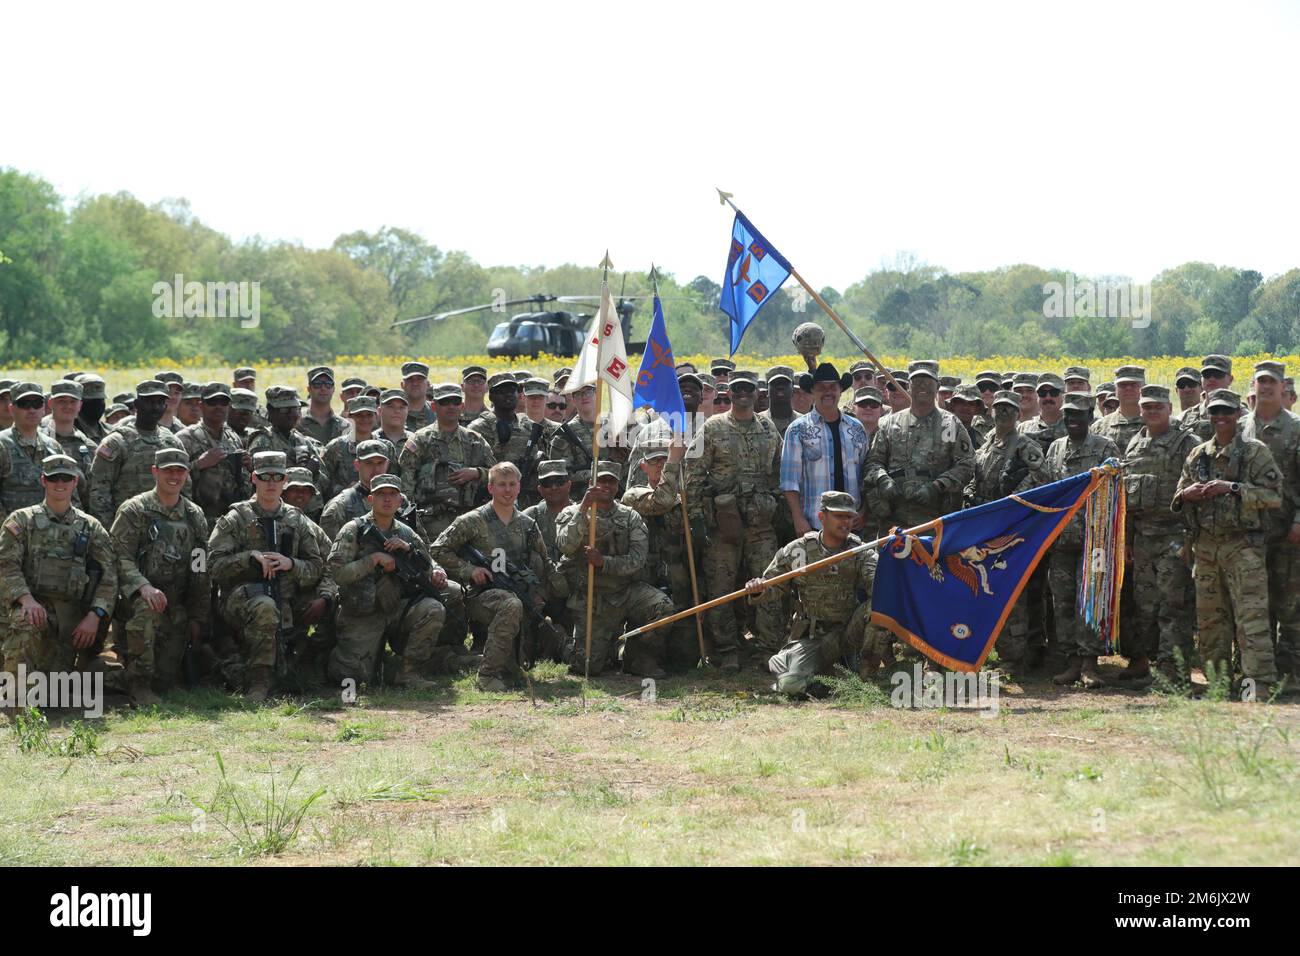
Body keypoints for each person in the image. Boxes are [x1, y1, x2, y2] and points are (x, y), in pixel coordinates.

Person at [1173, 389, 1282, 698]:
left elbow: (1274, 496)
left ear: (1238, 414)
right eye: (1214, 412)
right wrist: (1187, 494)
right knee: (1210, 620)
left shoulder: (1254, 452)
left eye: (1226, 412)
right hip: (1206, 547)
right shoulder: (1198, 455)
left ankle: (1256, 684)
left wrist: (1232, 487)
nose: (1220, 418)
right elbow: (1178, 495)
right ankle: (1217, 684)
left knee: (1251, 618)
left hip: (1242, 547)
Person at [685, 368, 784, 668]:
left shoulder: (768, 429)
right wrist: (697, 518)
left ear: (757, 393)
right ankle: (725, 650)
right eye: (737, 389)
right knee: (720, 587)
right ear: (728, 393)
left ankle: (767, 648)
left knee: (769, 583)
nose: (742, 394)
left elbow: (780, 472)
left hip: (761, 524)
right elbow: (693, 474)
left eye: (748, 389)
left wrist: (776, 506)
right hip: (722, 524)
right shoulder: (713, 428)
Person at [207, 451, 325, 701]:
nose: (271, 483)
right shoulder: (236, 518)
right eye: (265, 477)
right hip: (243, 600)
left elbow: (317, 565)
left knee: (329, 603)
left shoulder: (297, 519)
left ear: (285, 481)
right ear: (254, 479)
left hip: (288, 598)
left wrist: (290, 563)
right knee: (265, 607)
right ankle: (258, 683)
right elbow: (214, 565)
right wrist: (250, 557)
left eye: (278, 477)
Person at [432, 462, 556, 691]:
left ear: (519, 487)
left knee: (515, 670)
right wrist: (470, 571)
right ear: (490, 488)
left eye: (512, 485)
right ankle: (486, 676)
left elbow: (544, 562)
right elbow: (439, 549)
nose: (507, 491)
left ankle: (478, 662)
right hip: (479, 596)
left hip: (518, 594)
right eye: (501, 485)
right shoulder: (472, 520)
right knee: (511, 604)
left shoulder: (528, 525)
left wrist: (540, 594)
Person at [745, 491, 877, 696]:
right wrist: (758, 589)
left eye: (849, 517)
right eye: (839, 516)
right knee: (791, 686)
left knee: (877, 606)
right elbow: (772, 585)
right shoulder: (799, 550)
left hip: (849, 633)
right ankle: (812, 672)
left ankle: (866, 677)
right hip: (813, 638)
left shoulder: (859, 550)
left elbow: (876, 583)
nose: (846, 522)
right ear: (822, 517)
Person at [0, 454, 116, 680]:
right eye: (54, 478)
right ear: (44, 481)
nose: (60, 484)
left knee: (54, 689)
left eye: (66, 478)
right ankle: (16, 703)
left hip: (71, 617)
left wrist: (95, 615)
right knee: (26, 624)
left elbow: (110, 575)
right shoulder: (22, 520)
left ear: (75, 482)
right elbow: (6, 564)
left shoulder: (90, 527)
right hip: (32, 608)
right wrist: (26, 600)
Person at [109, 448, 210, 705]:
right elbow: (119, 557)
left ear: (187, 474)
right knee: (147, 609)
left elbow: (199, 566)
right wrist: (143, 587)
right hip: (137, 601)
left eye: (180, 470)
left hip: (174, 604)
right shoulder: (134, 510)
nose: (174, 476)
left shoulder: (195, 516)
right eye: (168, 470)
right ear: (155, 472)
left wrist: (197, 615)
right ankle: (137, 686)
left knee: (165, 681)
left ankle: (112, 678)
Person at [326, 474, 444, 691]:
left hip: (395, 608)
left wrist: (409, 551)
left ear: (400, 501)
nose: (387, 500)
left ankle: (409, 673)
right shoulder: (354, 530)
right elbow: (337, 573)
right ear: (371, 500)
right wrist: (374, 560)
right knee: (353, 679)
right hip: (362, 613)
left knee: (432, 608)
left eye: (393, 495)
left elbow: (426, 567)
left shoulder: (406, 532)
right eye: (381, 494)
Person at [556, 462, 673, 676]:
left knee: (663, 607)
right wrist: (584, 508)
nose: (606, 486)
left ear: (618, 486)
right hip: (593, 596)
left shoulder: (630, 516)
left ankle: (636, 657)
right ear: (591, 483)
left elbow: (637, 559)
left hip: (626, 590)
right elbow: (565, 545)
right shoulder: (572, 512)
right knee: (588, 667)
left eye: (611, 481)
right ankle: (561, 641)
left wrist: (604, 563)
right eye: (601, 480)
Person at [1118, 385, 1199, 686]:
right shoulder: (1134, 444)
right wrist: (1127, 541)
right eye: (1147, 406)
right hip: (1142, 538)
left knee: (1173, 606)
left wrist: (1192, 540)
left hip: (1175, 536)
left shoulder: (1186, 442)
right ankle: (1143, 662)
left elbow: (1196, 492)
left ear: (1169, 408)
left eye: (1158, 406)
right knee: (1145, 605)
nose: (1152, 411)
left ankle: (1172, 672)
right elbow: (1125, 500)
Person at [1045, 394, 1121, 687]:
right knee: (1062, 601)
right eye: (1068, 415)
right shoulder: (1055, 448)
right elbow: (1047, 488)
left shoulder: (1105, 448)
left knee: (1090, 600)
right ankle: (1072, 662)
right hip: (1062, 540)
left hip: (1095, 540)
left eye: (1079, 414)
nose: (1072, 419)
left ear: (1091, 416)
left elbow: (1115, 491)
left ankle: (1090, 663)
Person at [1239, 361, 1300, 686]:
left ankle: (1292, 672)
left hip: (1287, 529)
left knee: (1289, 603)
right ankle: (1262, 669)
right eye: (1260, 382)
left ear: (1282, 388)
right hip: (1250, 531)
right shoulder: (1242, 428)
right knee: (1256, 602)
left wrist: (1299, 522)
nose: (1265, 387)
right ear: (1254, 386)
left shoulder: (1295, 428)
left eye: (1271, 383)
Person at [621, 438, 700, 671]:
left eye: (665, 459)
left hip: (678, 574)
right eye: (655, 461)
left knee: (684, 660)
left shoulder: (682, 497)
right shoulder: (634, 495)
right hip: (646, 576)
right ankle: (639, 657)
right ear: (643, 466)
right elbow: (660, 502)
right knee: (654, 617)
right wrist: (675, 459)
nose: (661, 465)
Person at [780, 364, 870, 536]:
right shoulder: (797, 429)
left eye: (833, 387)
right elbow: (789, 481)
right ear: (812, 392)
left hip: (853, 522)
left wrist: (865, 510)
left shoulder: (856, 428)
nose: (827, 392)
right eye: (821, 388)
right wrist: (798, 519)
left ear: (841, 390)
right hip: (815, 523)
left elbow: (866, 475)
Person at [399, 382, 495, 543]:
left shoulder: (474, 440)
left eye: (455, 402)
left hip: (469, 521)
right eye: (444, 402)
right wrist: (411, 523)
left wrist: (477, 473)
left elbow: (498, 475)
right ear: (434, 406)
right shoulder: (420, 440)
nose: (451, 406)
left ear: (462, 406)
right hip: (430, 523)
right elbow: (406, 484)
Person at [89, 380, 189, 528]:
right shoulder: (116, 442)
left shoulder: (172, 442)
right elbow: (99, 491)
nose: (155, 407)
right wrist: (110, 530)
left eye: (160, 402)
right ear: (136, 404)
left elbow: (185, 488)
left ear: (165, 406)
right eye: (149, 401)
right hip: (126, 528)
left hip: (167, 527)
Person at [178, 383, 250, 523]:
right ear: (201, 405)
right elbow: (170, 477)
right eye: (212, 402)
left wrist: (248, 466)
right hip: (200, 518)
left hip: (233, 517)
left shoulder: (233, 437)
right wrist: (199, 464)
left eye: (223, 402)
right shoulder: (185, 438)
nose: (218, 406)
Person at [468, 373, 540, 503]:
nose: (508, 395)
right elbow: (471, 470)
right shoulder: (478, 428)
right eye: (501, 392)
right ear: (490, 397)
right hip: (489, 501)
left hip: (526, 500)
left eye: (512, 391)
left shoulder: (528, 426)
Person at [1, 383, 68, 518]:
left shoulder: (54, 447)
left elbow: (69, 494)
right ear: (12, 409)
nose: (31, 410)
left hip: (48, 533)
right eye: (24, 404)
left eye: (37, 404)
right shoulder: (2, 445)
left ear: (43, 409)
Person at [319, 397, 399, 502]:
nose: (364, 419)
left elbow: (396, 480)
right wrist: (344, 490)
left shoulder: (386, 447)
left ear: (376, 416)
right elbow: (323, 483)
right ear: (349, 417)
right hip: (345, 506)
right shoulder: (336, 447)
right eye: (359, 415)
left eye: (369, 415)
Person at [246, 386, 324, 490]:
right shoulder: (262, 441)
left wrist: (315, 470)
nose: (291, 414)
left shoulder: (303, 441)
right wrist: (305, 472)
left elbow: (325, 482)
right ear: (271, 410)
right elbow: (263, 482)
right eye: (285, 409)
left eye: (295, 409)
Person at [320, 439, 393, 539]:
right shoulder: (340, 506)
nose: (376, 469)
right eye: (369, 463)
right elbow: (328, 550)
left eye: (380, 463)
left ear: (387, 464)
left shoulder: (400, 502)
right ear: (357, 465)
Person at [1177, 355, 1233, 441]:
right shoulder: (1184, 418)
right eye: (1207, 374)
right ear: (1201, 379)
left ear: (1230, 379)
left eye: (1218, 375)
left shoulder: (1242, 415)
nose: (1211, 379)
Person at [298, 366, 349, 445]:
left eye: (328, 384)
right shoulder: (297, 421)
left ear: (333, 389)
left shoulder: (344, 425)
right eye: (317, 384)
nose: (323, 388)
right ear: (309, 389)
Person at [1018, 372, 1066, 452]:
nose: (1048, 397)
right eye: (1042, 393)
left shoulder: (1073, 427)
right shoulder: (1023, 428)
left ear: (1064, 395)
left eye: (1054, 392)